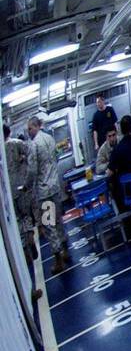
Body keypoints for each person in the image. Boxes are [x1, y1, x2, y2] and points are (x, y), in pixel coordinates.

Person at [25, 114, 69, 270]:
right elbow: (56, 158)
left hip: (43, 191)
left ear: (36, 126)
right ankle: (66, 250)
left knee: (49, 225)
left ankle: (58, 259)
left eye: (30, 128)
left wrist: (26, 186)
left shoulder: (34, 144)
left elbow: (32, 170)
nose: (29, 131)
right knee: (58, 220)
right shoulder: (50, 139)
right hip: (55, 186)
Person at [4, 122, 37, 261]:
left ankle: (24, 250)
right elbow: (31, 151)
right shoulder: (15, 143)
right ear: (9, 132)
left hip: (8, 193)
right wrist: (24, 163)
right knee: (26, 216)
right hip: (21, 187)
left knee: (17, 220)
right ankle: (31, 239)